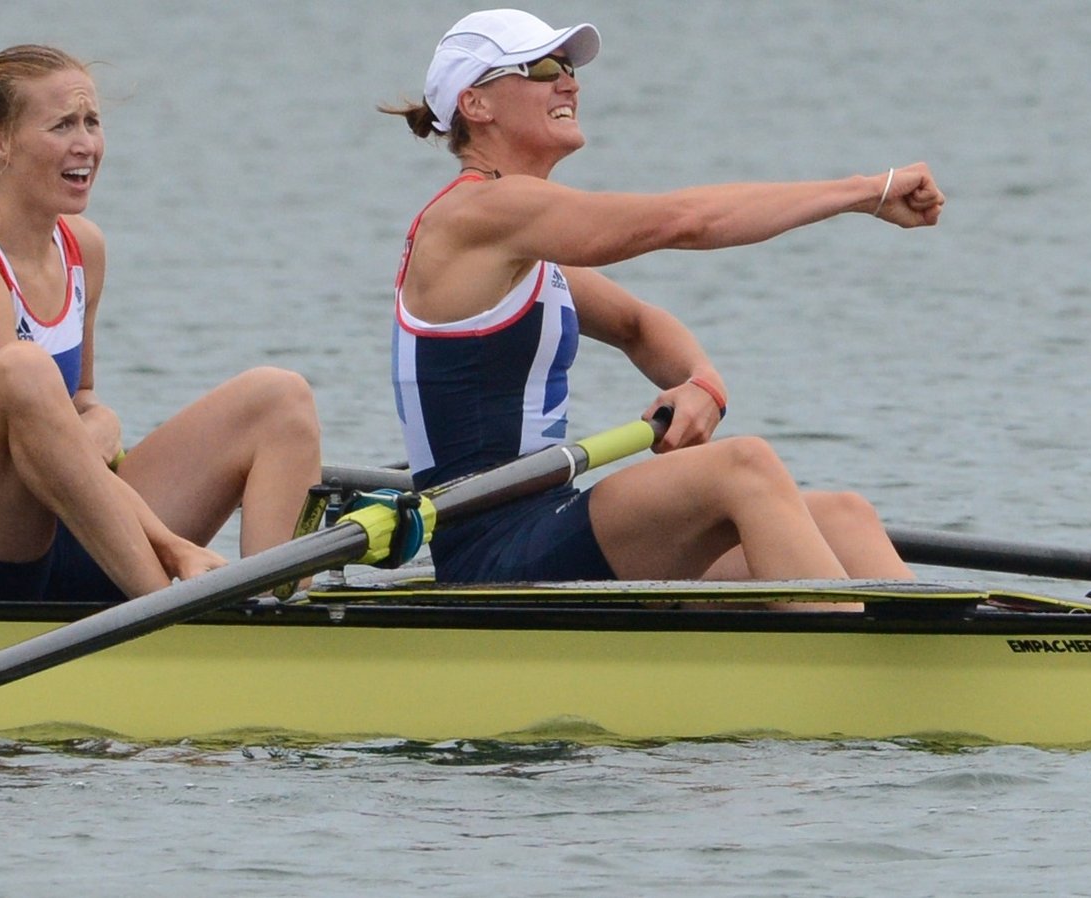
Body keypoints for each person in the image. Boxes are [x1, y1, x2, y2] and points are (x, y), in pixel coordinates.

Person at [382, 10, 944, 586]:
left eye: (570, 68)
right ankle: (840, 658)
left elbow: (638, 325)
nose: (569, 82)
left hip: (543, 518)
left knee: (843, 518)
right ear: (476, 104)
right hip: (488, 550)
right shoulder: (477, 215)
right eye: (544, 67)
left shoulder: (519, 246)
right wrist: (865, 192)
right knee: (741, 467)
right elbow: (685, 221)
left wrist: (700, 378)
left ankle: (933, 662)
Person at [0, 45, 321, 601]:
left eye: (92, 122)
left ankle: (284, 615)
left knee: (279, 398)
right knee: (23, 371)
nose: (85, 143)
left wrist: (99, 417)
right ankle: (168, 613)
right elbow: (34, 406)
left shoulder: (83, 247)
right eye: (62, 125)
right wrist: (171, 544)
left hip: (66, 522)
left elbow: (79, 401)